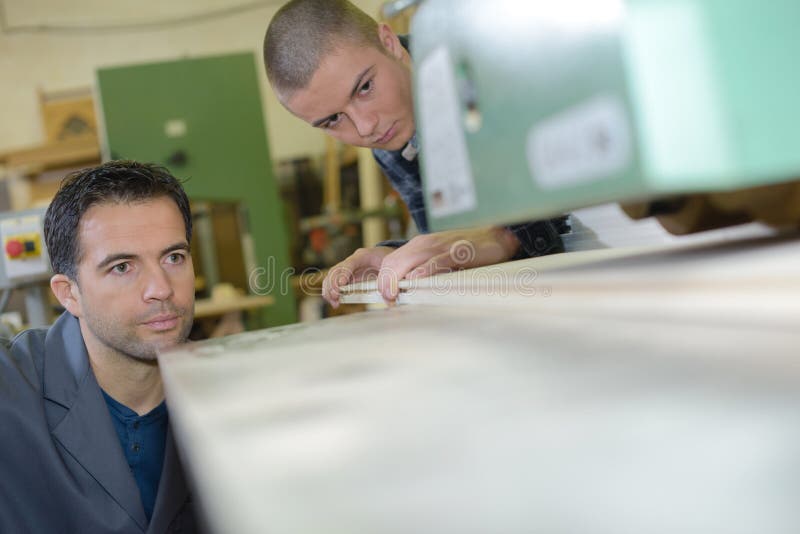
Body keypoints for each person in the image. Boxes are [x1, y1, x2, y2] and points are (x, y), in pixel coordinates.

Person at [263, 0, 569, 307]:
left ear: (389, 42)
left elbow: (572, 194)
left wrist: (506, 237)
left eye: (365, 87)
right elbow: (455, 239)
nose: (365, 127)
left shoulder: (485, 60)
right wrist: (396, 256)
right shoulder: (391, 140)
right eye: (332, 120)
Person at [0, 161, 201, 533]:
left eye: (174, 258)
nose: (160, 288)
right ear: (69, 293)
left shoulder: (228, 392)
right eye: (123, 267)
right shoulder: (12, 391)